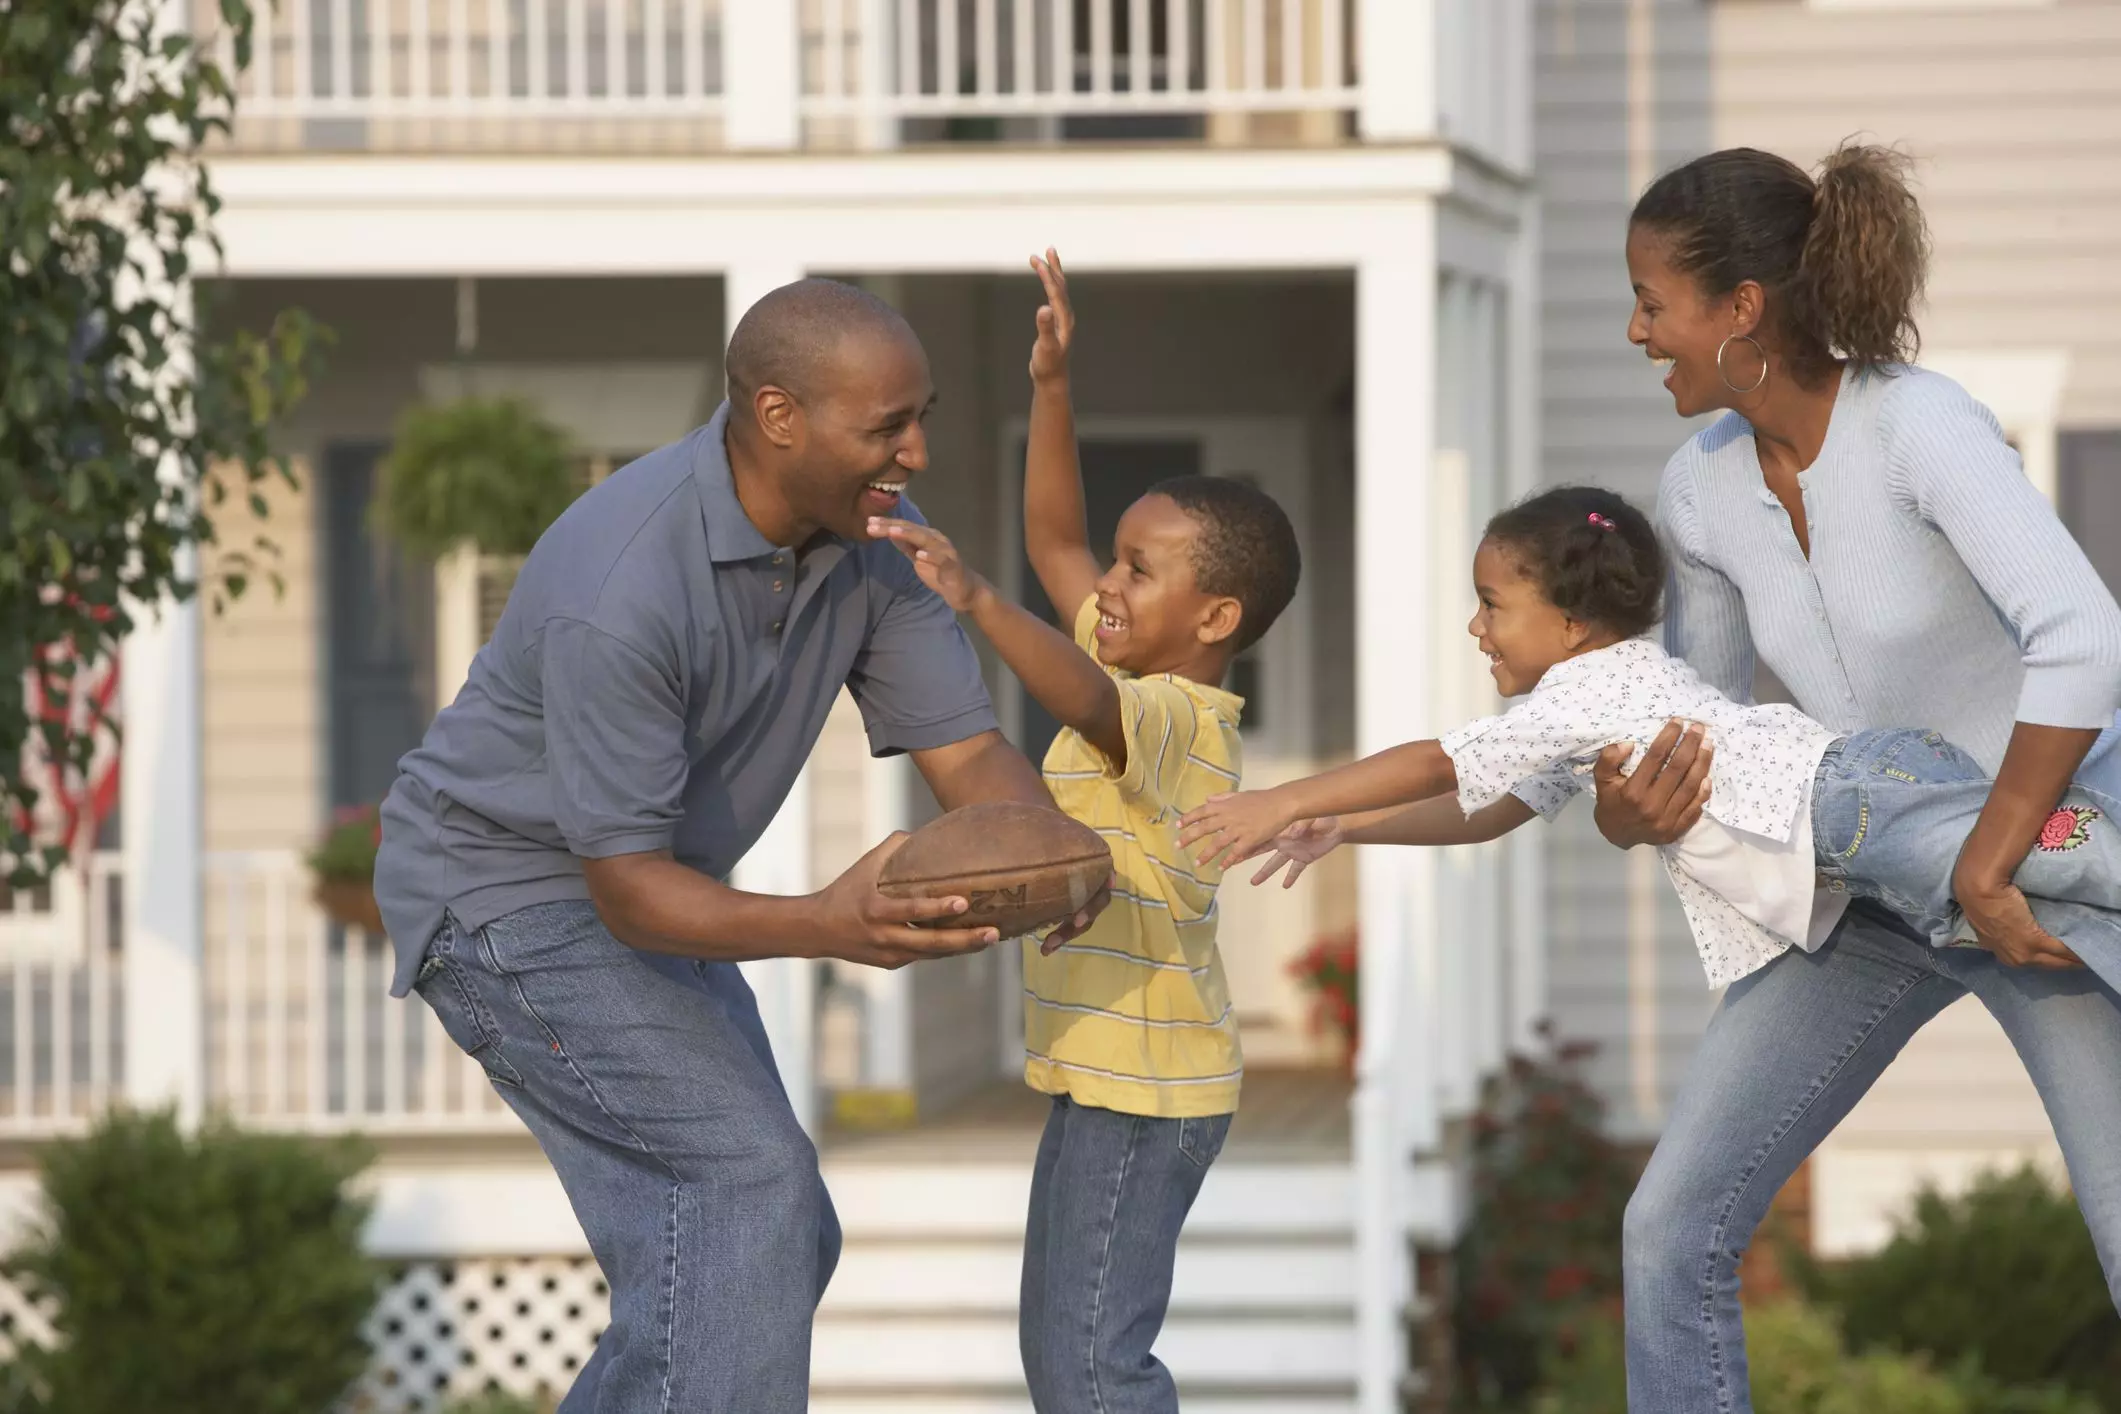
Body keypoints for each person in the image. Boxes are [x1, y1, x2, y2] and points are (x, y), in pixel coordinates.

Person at [1423, 143, 2121, 1412]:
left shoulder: (1919, 425)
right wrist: (1640, 817)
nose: (1638, 332)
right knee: (1669, 1226)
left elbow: (2083, 635)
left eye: (1653, 301)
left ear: (1743, 308)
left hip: (2038, 871)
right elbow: (1698, 715)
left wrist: (1991, 854)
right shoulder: (1697, 493)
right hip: (1863, 886)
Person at [373, 277, 1108, 1414]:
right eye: (885, 426)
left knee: (768, 1236)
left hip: (653, 886)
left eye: (921, 415)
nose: (914, 449)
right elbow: (621, 893)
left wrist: (1043, 851)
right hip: (501, 893)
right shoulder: (621, 584)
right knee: (746, 1189)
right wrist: (830, 922)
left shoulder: (876, 549)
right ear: (778, 417)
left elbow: (969, 762)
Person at [870, 249, 1302, 1414]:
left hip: (1148, 1091)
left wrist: (970, 599)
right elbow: (1056, 538)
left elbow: (1084, 697)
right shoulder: (1129, 642)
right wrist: (1052, 391)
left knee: (1092, 1366)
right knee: (1066, 1356)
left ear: (1214, 618)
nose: (1105, 583)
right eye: (1119, 560)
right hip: (1104, 1080)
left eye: (1139, 570)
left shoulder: (1180, 716)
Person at [1180, 485, 2121, 1002]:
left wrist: (1288, 797)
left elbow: (1438, 759)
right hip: (1857, 812)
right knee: (2061, 912)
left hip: (1843, 802)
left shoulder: (1581, 691)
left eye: (1493, 606)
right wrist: (1348, 833)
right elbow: (1484, 811)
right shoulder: (1590, 708)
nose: (1476, 628)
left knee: (2060, 866)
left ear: (1575, 620)